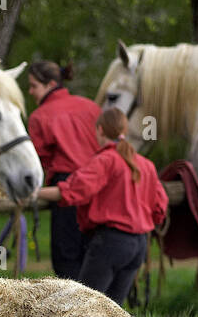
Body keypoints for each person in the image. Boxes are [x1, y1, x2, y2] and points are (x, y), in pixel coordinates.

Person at [38, 107, 167, 306]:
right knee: (113, 311)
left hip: (110, 243)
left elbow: (72, 190)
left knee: (85, 308)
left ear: (99, 130)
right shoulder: (145, 164)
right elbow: (159, 206)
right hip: (139, 245)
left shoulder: (105, 161)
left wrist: (34, 193)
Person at [26, 60, 100, 280]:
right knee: (95, 254)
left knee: (67, 258)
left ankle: (77, 311)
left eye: (33, 86)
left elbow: (37, 159)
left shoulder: (39, 117)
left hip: (66, 190)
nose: (30, 92)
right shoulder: (91, 107)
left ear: (50, 84)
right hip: (99, 184)